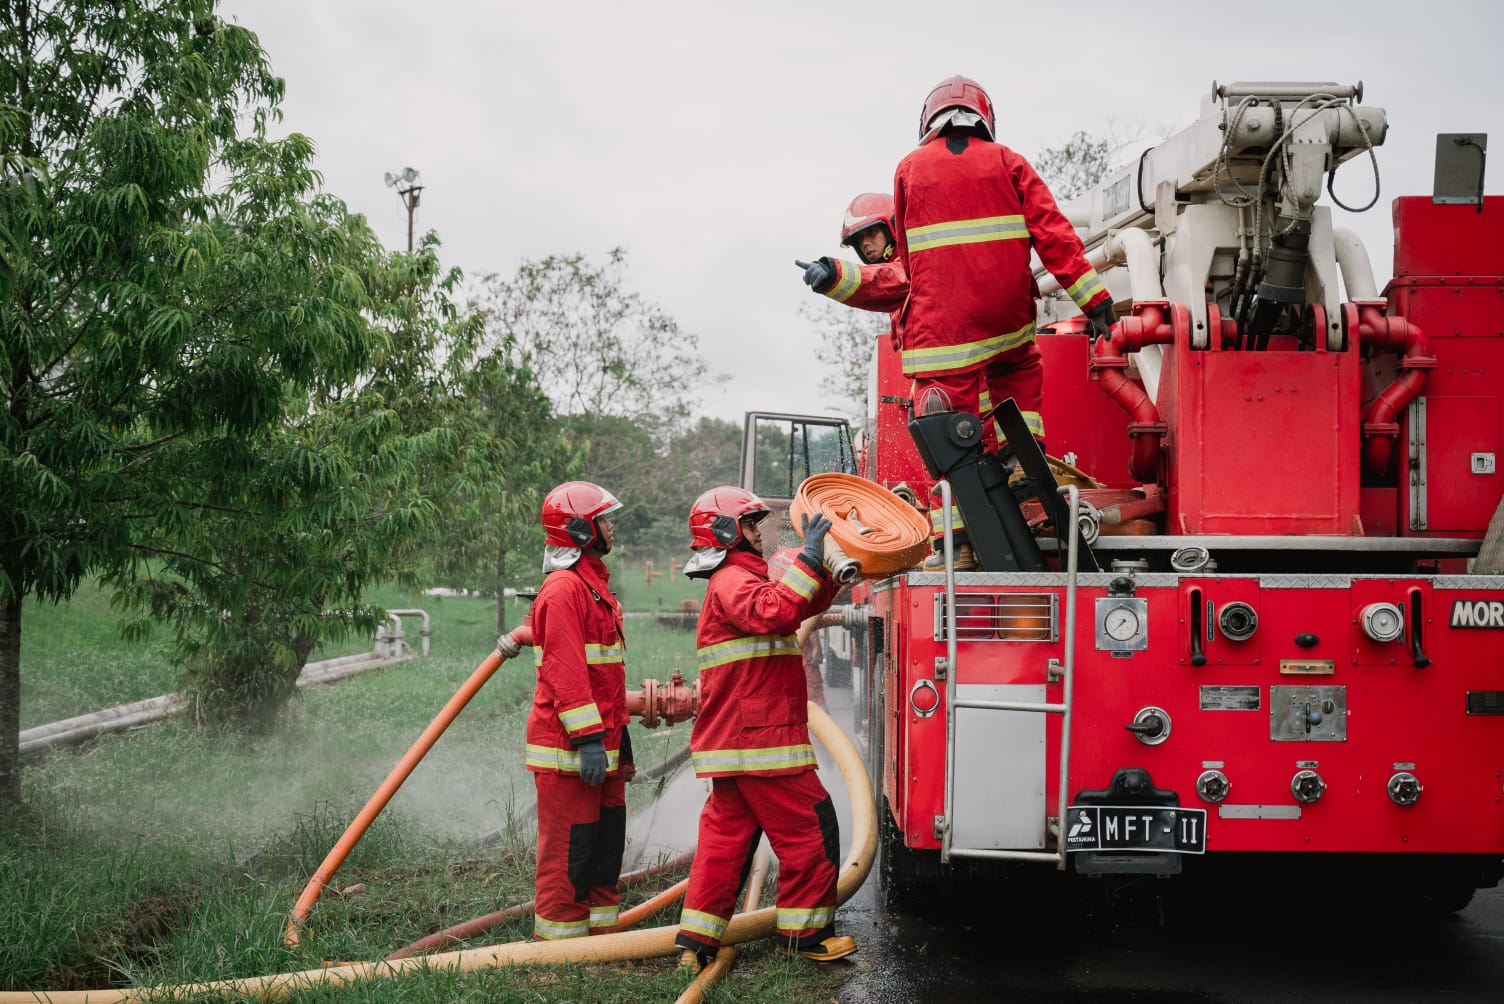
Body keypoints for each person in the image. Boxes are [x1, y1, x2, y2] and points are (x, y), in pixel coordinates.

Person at [892, 74, 1116, 566]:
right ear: (984, 118)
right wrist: (1094, 301)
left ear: (929, 122)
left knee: (949, 432)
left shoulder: (909, 168)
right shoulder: (1009, 161)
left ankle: (957, 545)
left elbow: (907, 261)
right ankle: (1022, 459)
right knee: (1019, 374)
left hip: (942, 333)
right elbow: (1054, 235)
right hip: (1006, 320)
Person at [674, 487, 857, 970]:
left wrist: (829, 569)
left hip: (741, 742)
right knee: (811, 830)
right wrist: (810, 558)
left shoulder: (742, 581)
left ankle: (696, 943)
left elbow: (793, 605)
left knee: (725, 842)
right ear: (727, 533)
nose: (761, 532)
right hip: (760, 741)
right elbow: (774, 610)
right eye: (752, 525)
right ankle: (806, 935)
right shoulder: (732, 580)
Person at [526, 480, 630, 941]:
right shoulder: (564, 590)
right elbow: (566, 674)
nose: (610, 528)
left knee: (605, 846)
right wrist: (588, 740)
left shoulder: (591, 587)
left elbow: (604, 674)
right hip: (572, 750)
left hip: (602, 745)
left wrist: (610, 742)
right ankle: (559, 950)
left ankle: (600, 941)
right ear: (580, 530)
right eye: (603, 520)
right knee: (570, 851)